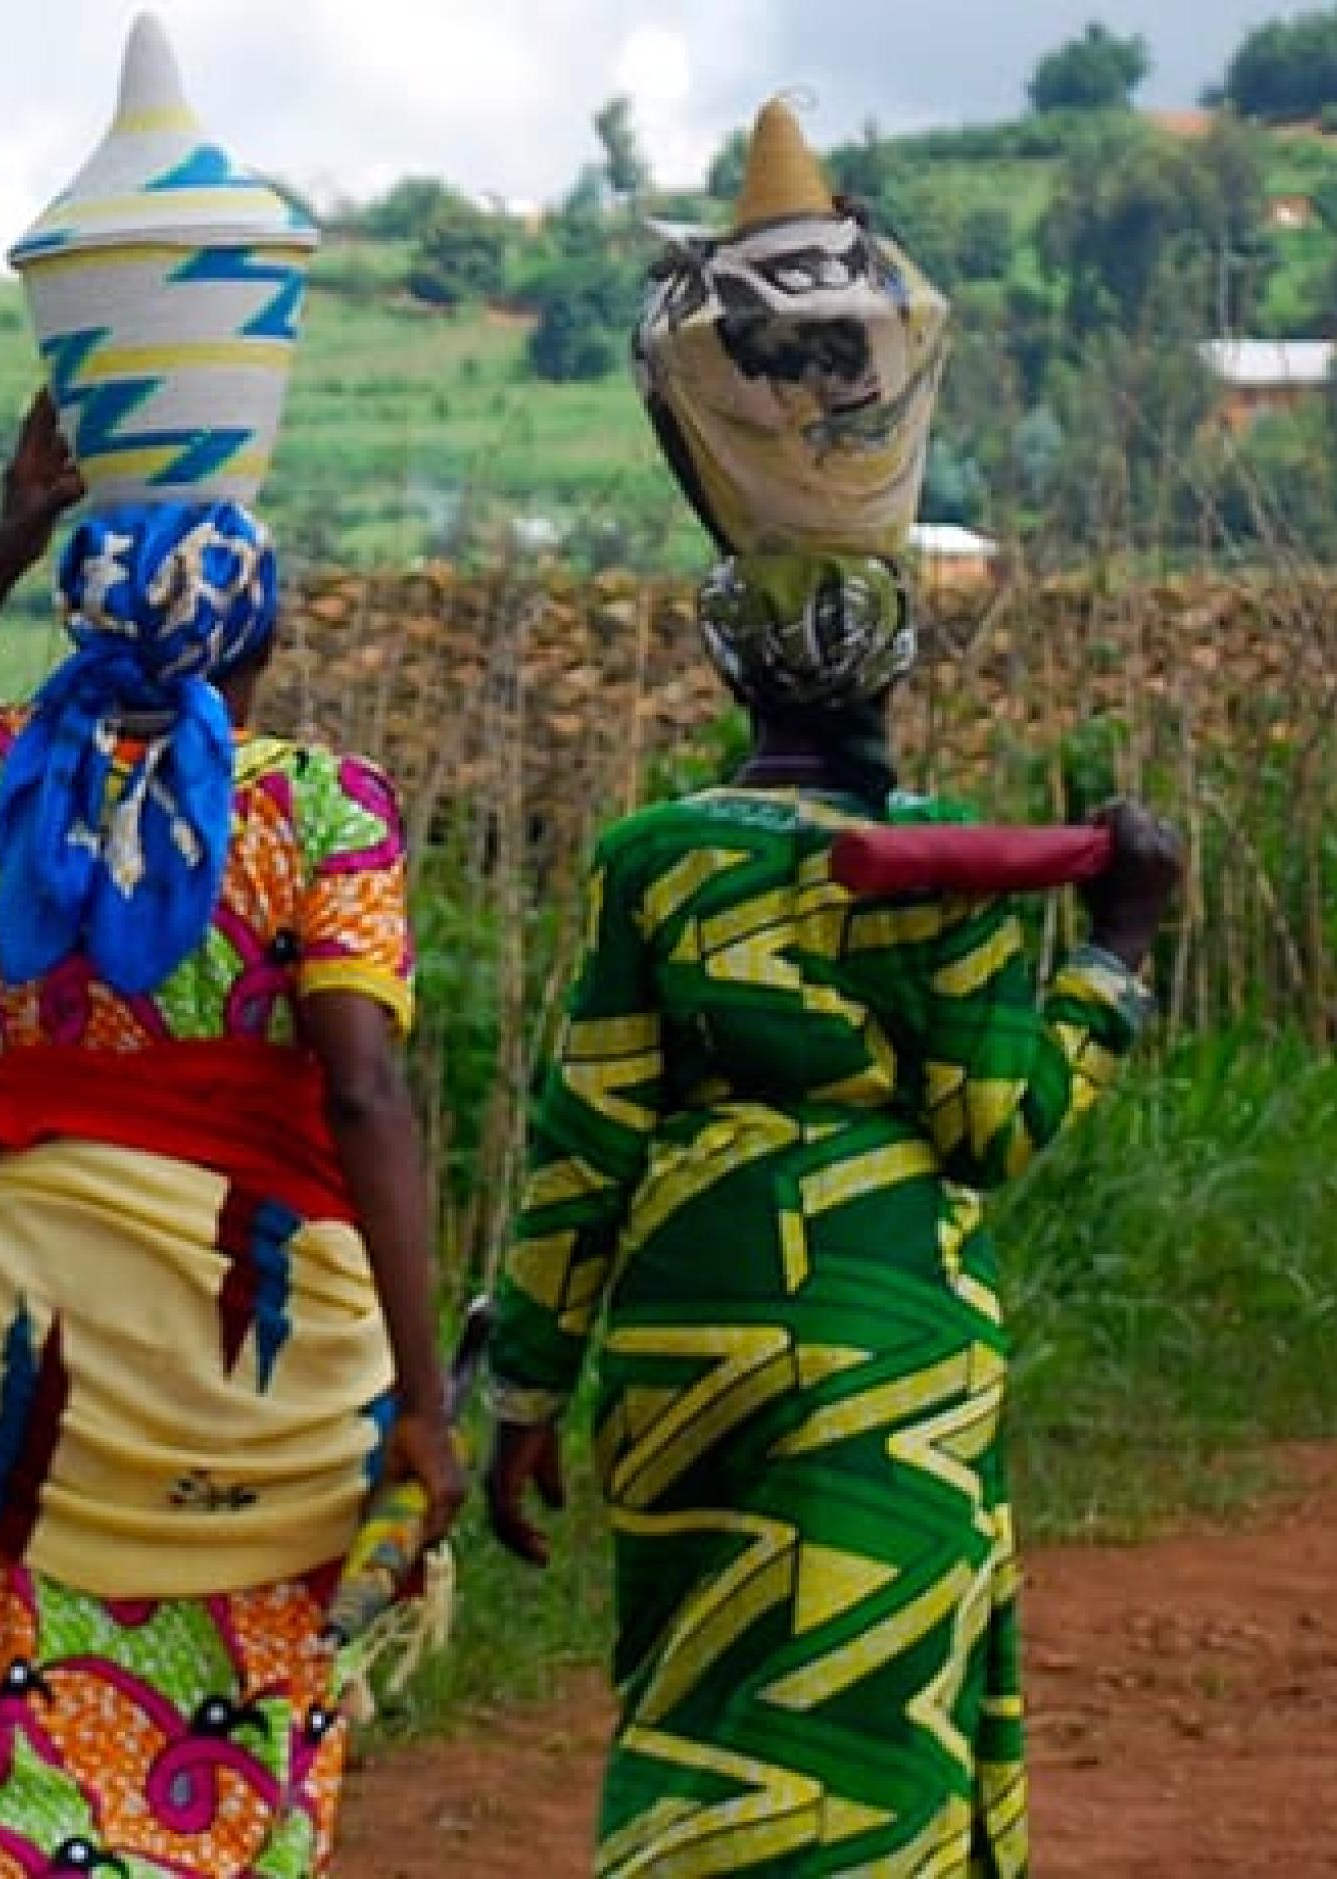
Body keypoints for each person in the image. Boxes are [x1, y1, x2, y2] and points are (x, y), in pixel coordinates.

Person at [480, 102, 1184, 1878]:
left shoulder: (658, 857)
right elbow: (998, 1124)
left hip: (688, 1342)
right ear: (894, 652)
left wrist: (523, 1398)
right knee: (872, 1721)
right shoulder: (955, 869)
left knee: (709, 1711)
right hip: (891, 1347)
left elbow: (584, 1146)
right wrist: (1118, 953)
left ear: (731, 648)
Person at [0, 386, 466, 1877]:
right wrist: (429, 1397)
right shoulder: (324, 810)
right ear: (256, 646)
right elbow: (366, 1088)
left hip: (18, 1351)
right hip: (255, 1358)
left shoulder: (13, 778)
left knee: (0, 1676)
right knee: (241, 1708)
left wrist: (6, 543)